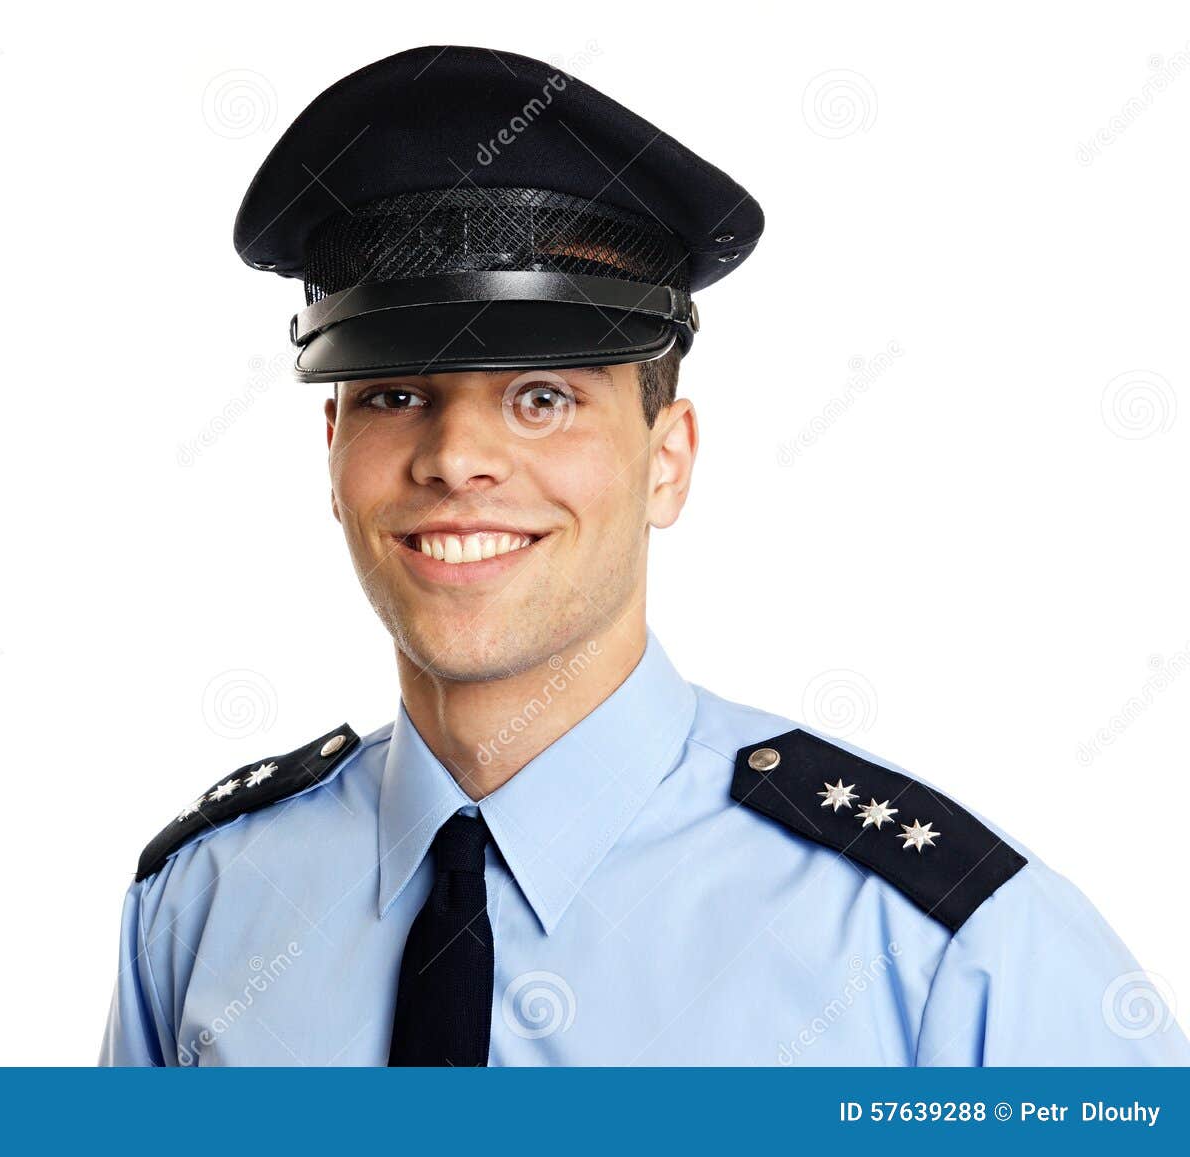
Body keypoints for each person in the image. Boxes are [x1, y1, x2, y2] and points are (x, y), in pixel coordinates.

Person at [100, 45, 1187, 1066]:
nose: (457, 457)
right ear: (333, 451)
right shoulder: (204, 904)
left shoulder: (935, 949)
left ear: (667, 461)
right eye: (396, 393)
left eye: (542, 396)